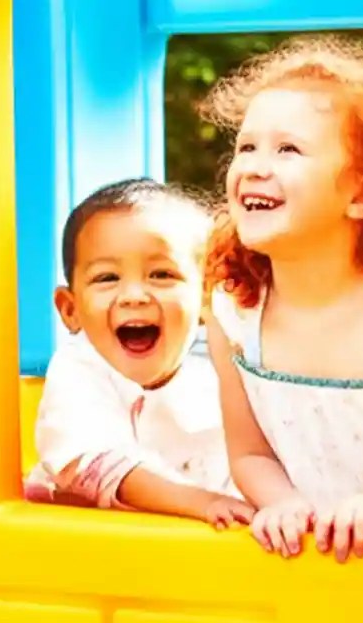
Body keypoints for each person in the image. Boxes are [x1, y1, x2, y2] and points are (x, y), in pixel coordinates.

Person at [201, 38, 363, 561]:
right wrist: (284, 504)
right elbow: (249, 453)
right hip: (308, 566)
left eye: (287, 150)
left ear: (362, 195)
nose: (255, 166)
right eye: (247, 147)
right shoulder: (234, 312)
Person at [23, 177, 255, 529]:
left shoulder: (219, 375)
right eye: (107, 278)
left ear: (207, 297)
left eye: (161, 274)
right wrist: (202, 503)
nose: (134, 295)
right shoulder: (78, 370)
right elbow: (95, 465)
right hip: (81, 549)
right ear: (70, 309)